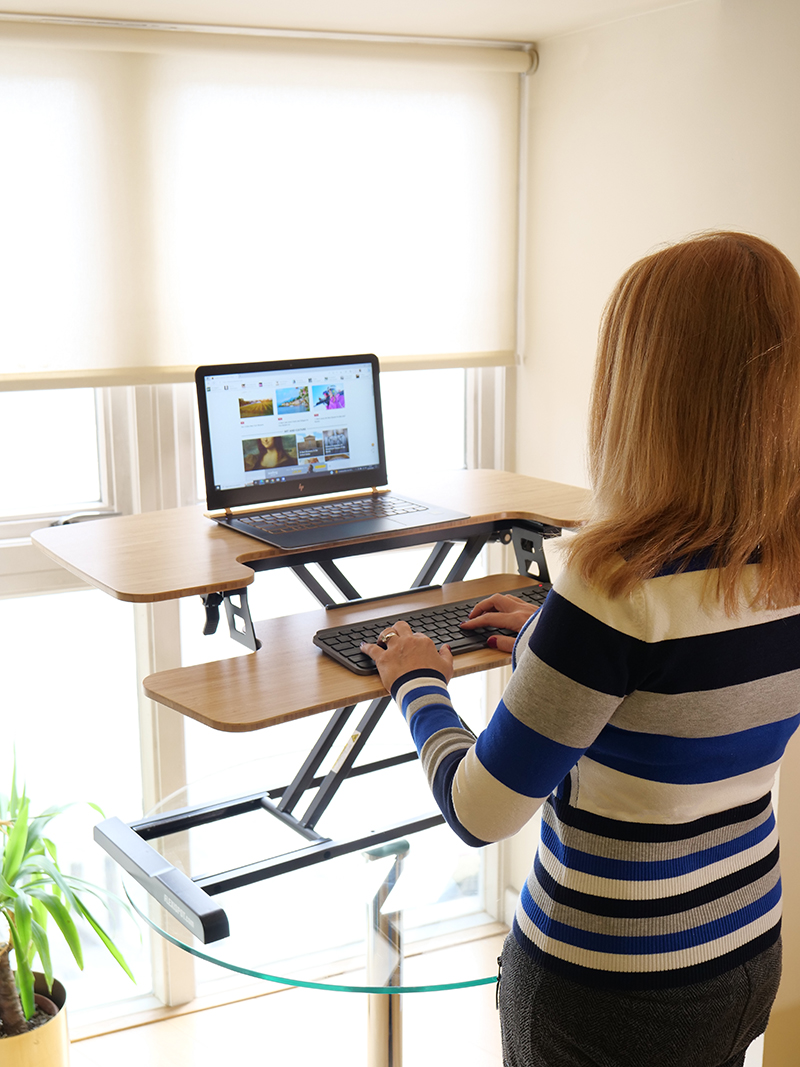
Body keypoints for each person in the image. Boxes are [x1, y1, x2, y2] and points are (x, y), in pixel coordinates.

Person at [362, 231, 800, 1067]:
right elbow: (689, 689)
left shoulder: (612, 595)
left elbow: (479, 810)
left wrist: (417, 682)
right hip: (746, 948)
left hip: (609, 982)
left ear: (644, 391)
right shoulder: (782, 564)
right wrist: (545, 637)